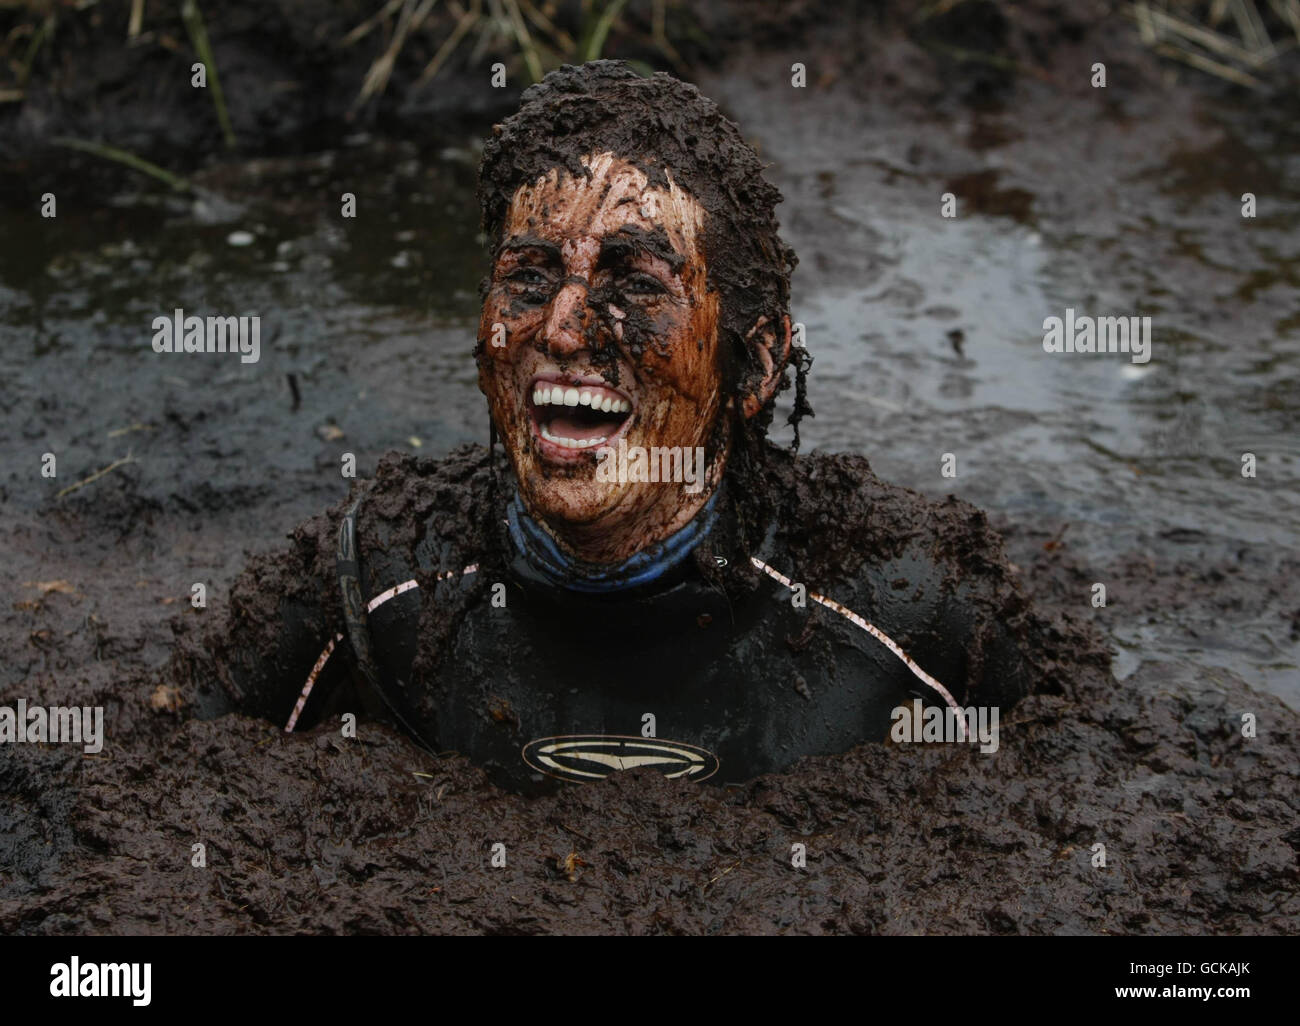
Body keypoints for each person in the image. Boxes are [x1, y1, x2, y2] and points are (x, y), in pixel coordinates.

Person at [177, 61, 1045, 792]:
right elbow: (166, 785)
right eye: (528, 276)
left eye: (634, 283)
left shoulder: (903, 612)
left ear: (756, 363)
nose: (562, 329)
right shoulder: (381, 584)